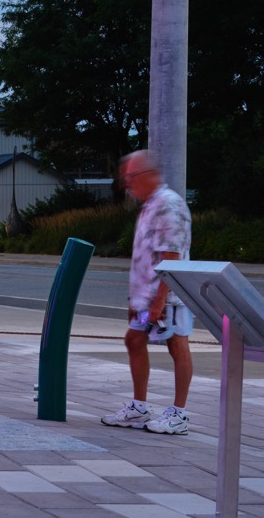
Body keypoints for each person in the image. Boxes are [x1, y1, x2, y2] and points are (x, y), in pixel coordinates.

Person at [100, 150, 194, 435]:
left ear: (147, 174)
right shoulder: (151, 205)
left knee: (177, 345)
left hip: (170, 297)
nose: (127, 184)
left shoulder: (169, 205)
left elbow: (172, 256)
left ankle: (179, 414)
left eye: (130, 178)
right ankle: (139, 408)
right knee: (134, 340)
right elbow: (144, 257)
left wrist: (159, 300)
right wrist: (136, 298)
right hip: (147, 298)